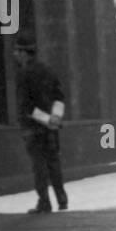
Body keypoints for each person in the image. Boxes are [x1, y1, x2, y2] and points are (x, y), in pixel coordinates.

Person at [13, 33, 68, 214]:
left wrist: (42, 120)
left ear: (24, 53)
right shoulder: (48, 71)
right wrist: (55, 118)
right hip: (51, 128)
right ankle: (62, 199)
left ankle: (44, 202)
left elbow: (26, 107)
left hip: (34, 129)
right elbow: (59, 97)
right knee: (53, 162)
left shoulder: (23, 75)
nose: (15, 54)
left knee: (39, 166)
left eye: (17, 51)